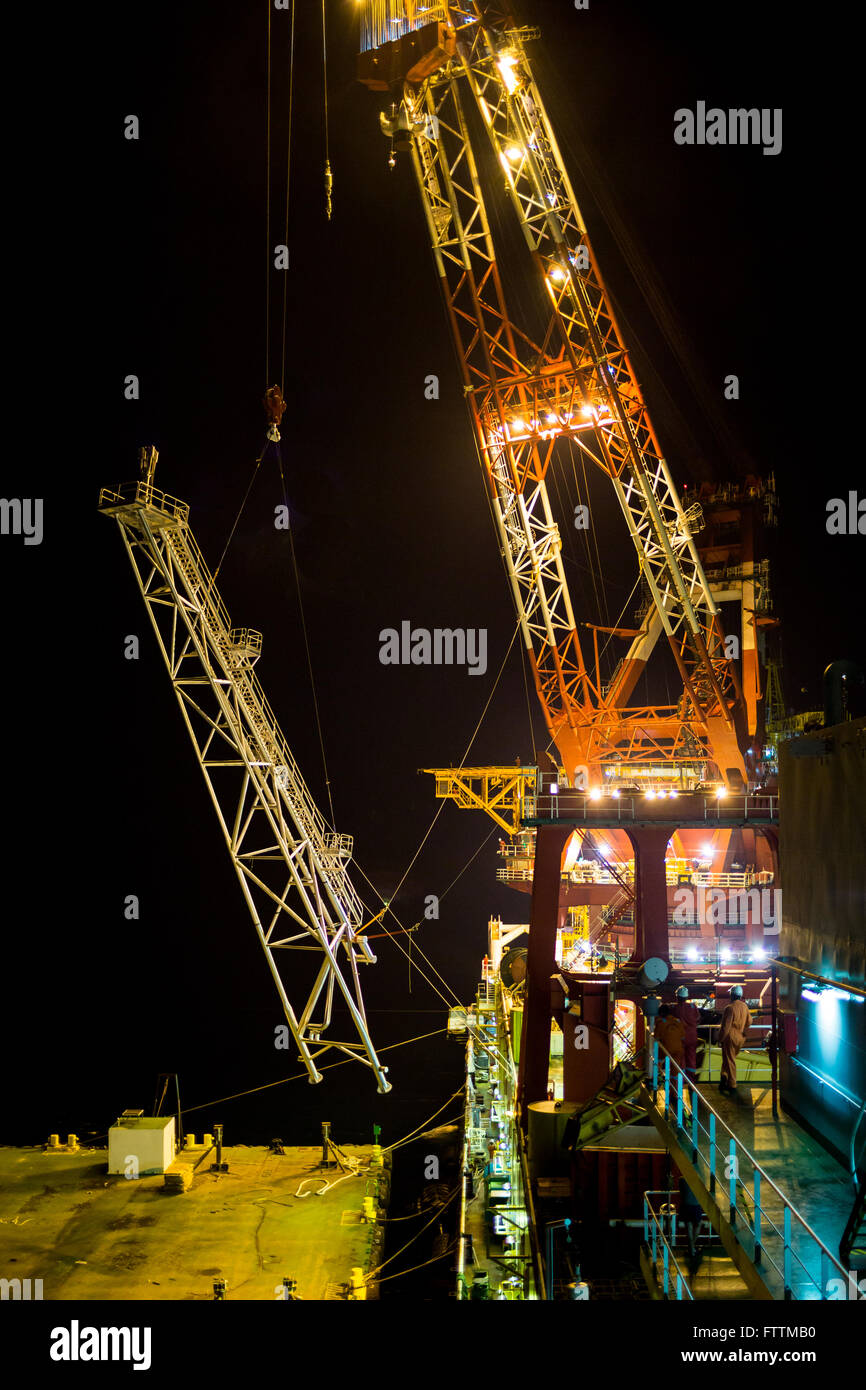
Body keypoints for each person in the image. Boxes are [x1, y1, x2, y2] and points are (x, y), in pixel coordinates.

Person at [718, 985, 751, 1097]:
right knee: (729, 1058)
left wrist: (720, 1039)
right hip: (740, 1037)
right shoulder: (745, 1006)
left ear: (732, 995)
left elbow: (725, 1027)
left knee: (729, 1059)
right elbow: (749, 1022)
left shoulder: (729, 1008)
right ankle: (724, 1077)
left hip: (730, 1037)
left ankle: (732, 1084)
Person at [673, 985, 701, 1089]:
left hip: (681, 1038)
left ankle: (682, 1080)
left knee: (681, 1059)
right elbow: (698, 1019)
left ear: (678, 997)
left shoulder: (676, 1008)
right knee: (692, 1058)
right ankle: (691, 1081)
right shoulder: (693, 1006)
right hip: (693, 1036)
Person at [654, 1005, 686, 1070]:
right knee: (675, 1069)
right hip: (678, 1049)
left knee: (658, 1050)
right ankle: (674, 1079)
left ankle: (658, 1072)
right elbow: (683, 1037)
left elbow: (656, 1037)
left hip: (666, 1049)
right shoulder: (677, 1021)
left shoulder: (660, 1023)